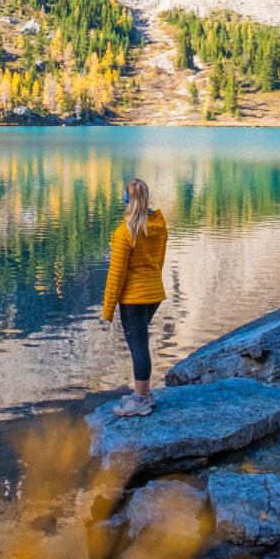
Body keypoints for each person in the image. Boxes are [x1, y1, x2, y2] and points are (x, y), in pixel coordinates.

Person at [101, 177, 167, 417]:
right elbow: (159, 260)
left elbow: (116, 275)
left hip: (133, 298)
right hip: (153, 294)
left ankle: (140, 400)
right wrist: (152, 283)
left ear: (126, 199)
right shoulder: (158, 225)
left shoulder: (124, 233)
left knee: (138, 346)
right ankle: (144, 392)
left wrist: (108, 309)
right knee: (141, 342)